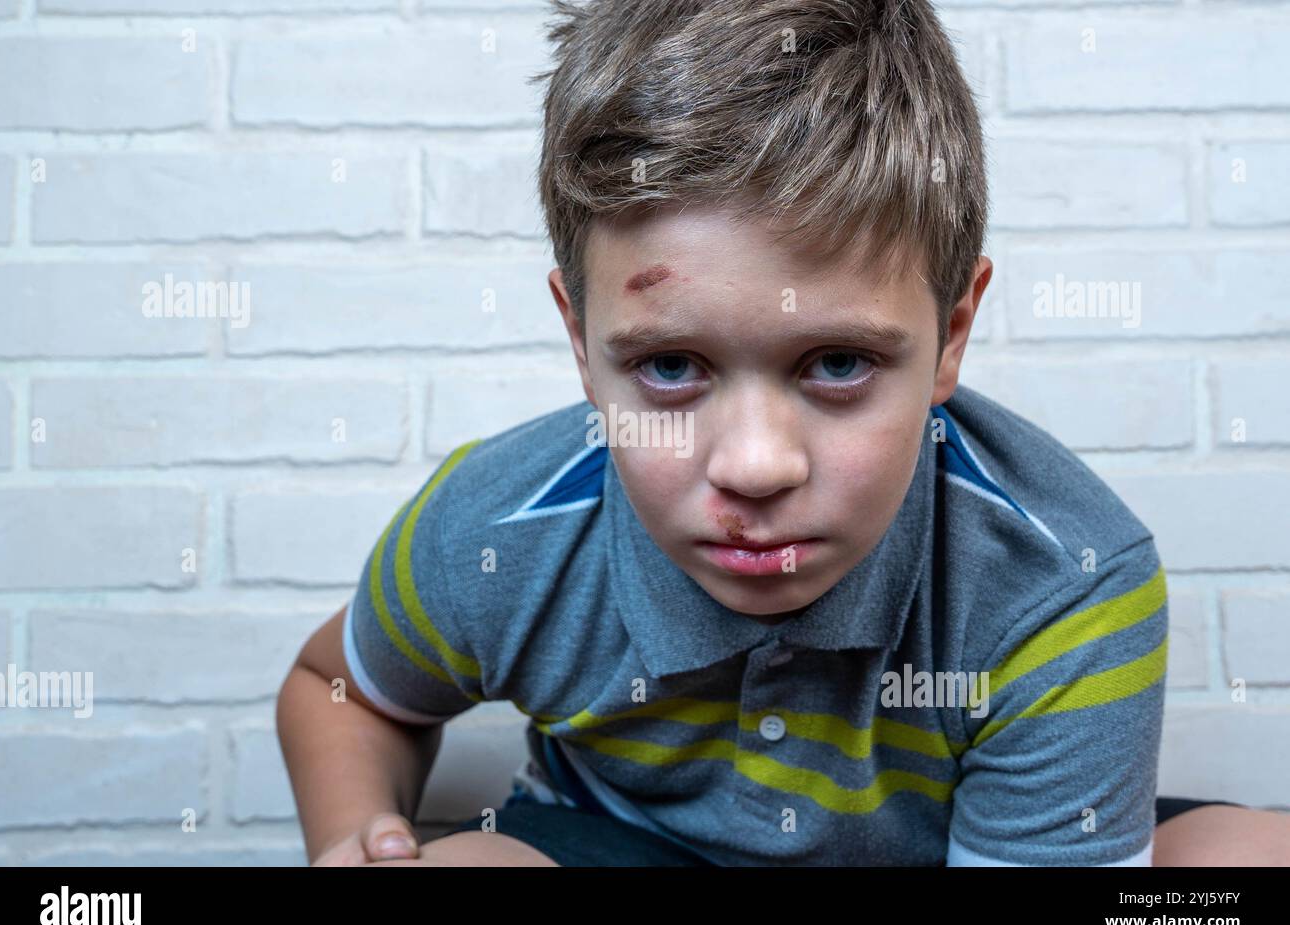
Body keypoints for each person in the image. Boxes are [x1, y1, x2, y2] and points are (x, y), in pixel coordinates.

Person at [277, 0, 1290, 867]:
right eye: (671, 366)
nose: (755, 465)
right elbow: (339, 689)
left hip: (949, 846)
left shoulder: (1061, 582)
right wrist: (354, 834)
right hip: (615, 846)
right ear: (581, 341)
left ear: (950, 335)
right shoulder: (498, 529)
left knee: (1241, 859)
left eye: (837, 363)